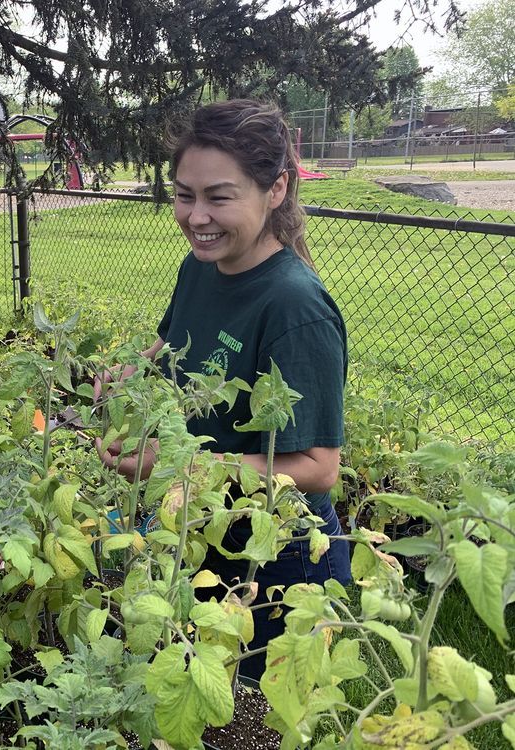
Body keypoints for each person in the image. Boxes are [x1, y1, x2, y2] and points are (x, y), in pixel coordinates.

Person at [94, 99, 350, 679]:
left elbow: (318, 467)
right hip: (205, 531)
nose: (196, 216)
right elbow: (171, 343)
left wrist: (183, 467)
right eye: (185, 194)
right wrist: (128, 377)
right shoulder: (201, 267)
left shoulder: (294, 308)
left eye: (219, 196)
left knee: (257, 713)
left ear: (276, 189)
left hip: (277, 558)